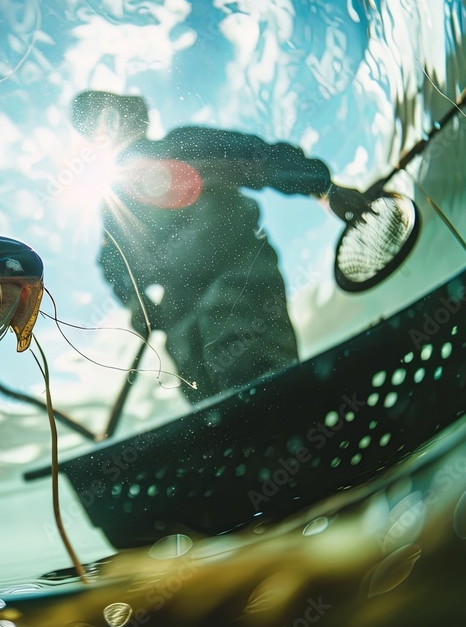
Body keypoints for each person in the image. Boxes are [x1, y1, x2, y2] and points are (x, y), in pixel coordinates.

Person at [70, 90, 372, 403]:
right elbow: (115, 263)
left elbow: (258, 158)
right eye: (97, 124)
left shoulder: (184, 144)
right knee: (210, 403)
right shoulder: (115, 202)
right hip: (179, 308)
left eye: (111, 114)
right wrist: (135, 301)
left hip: (239, 270)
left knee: (258, 374)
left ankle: (285, 416)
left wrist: (323, 186)